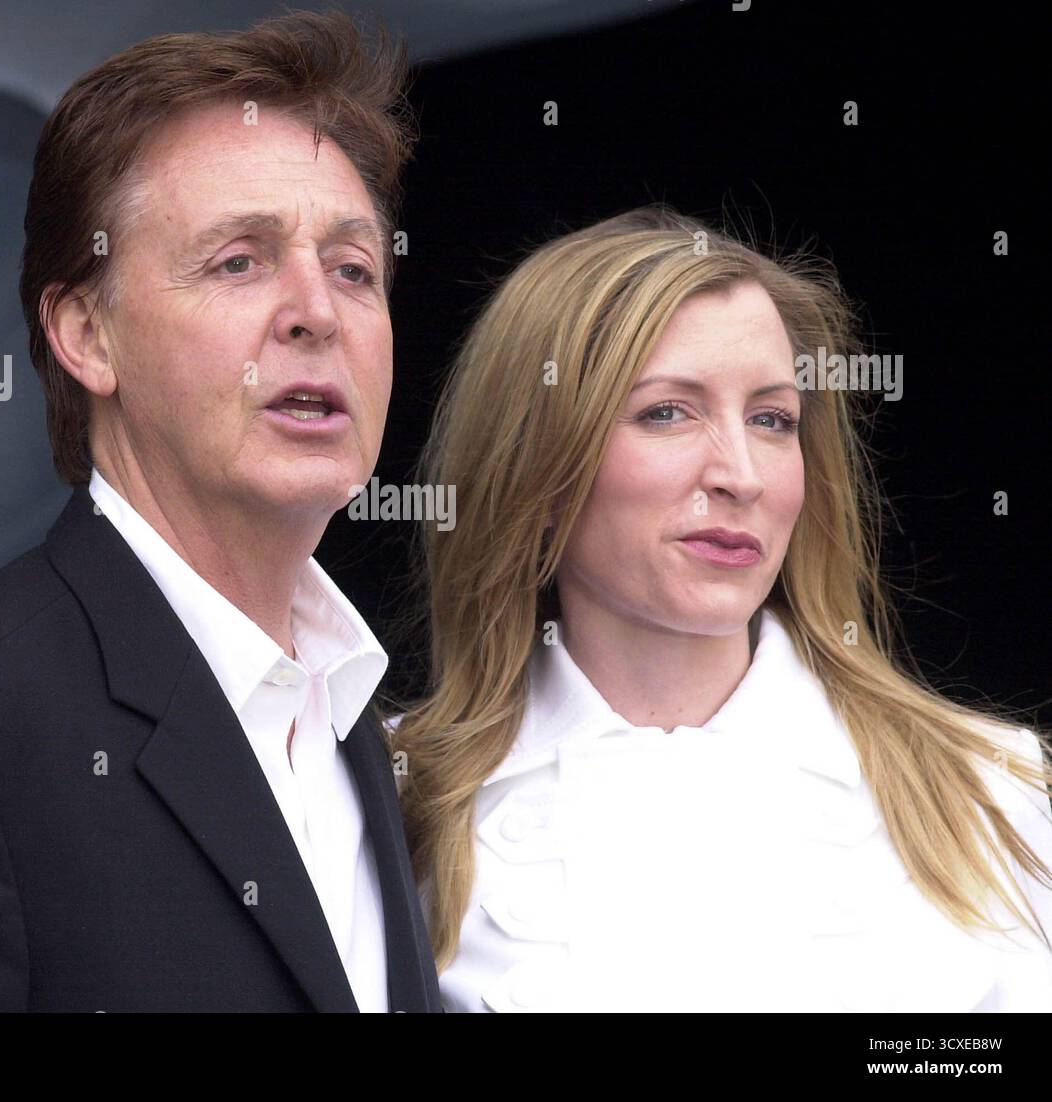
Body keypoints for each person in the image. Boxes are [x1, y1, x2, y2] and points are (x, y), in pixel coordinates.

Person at [0, 11, 440, 1012]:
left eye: (353, 269)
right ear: (86, 334)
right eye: (239, 261)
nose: (317, 311)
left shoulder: (353, 721)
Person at [392, 205, 1052, 1012]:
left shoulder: (989, 788)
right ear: (537, 463)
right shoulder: (394, 803)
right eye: (666, 412)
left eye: (773, 420)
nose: (740, 474)